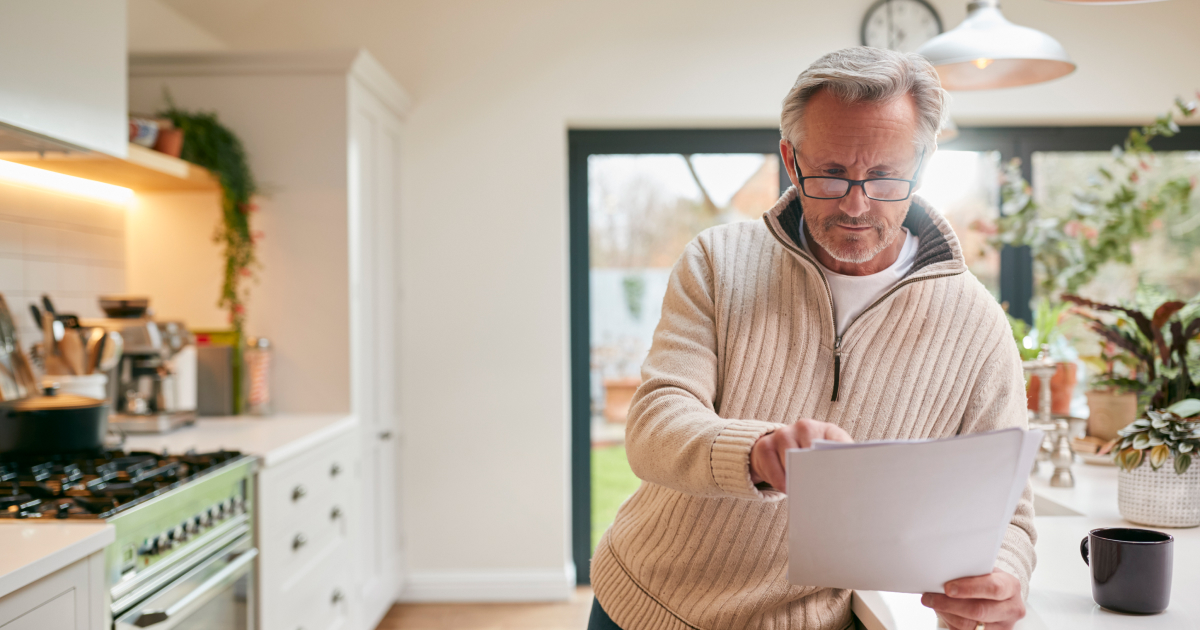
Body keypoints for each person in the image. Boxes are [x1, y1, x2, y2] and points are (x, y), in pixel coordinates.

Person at [588, 47, 1035, 630]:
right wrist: (758, 451)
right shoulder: (716, 262)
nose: (856, 204)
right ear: (790, 159)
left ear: (923, 164)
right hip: (648, 605)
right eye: (831, 173)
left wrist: (1005, 575)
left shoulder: (977, 323)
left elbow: (1008, 509)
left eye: (884, 176)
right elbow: (653, 426)